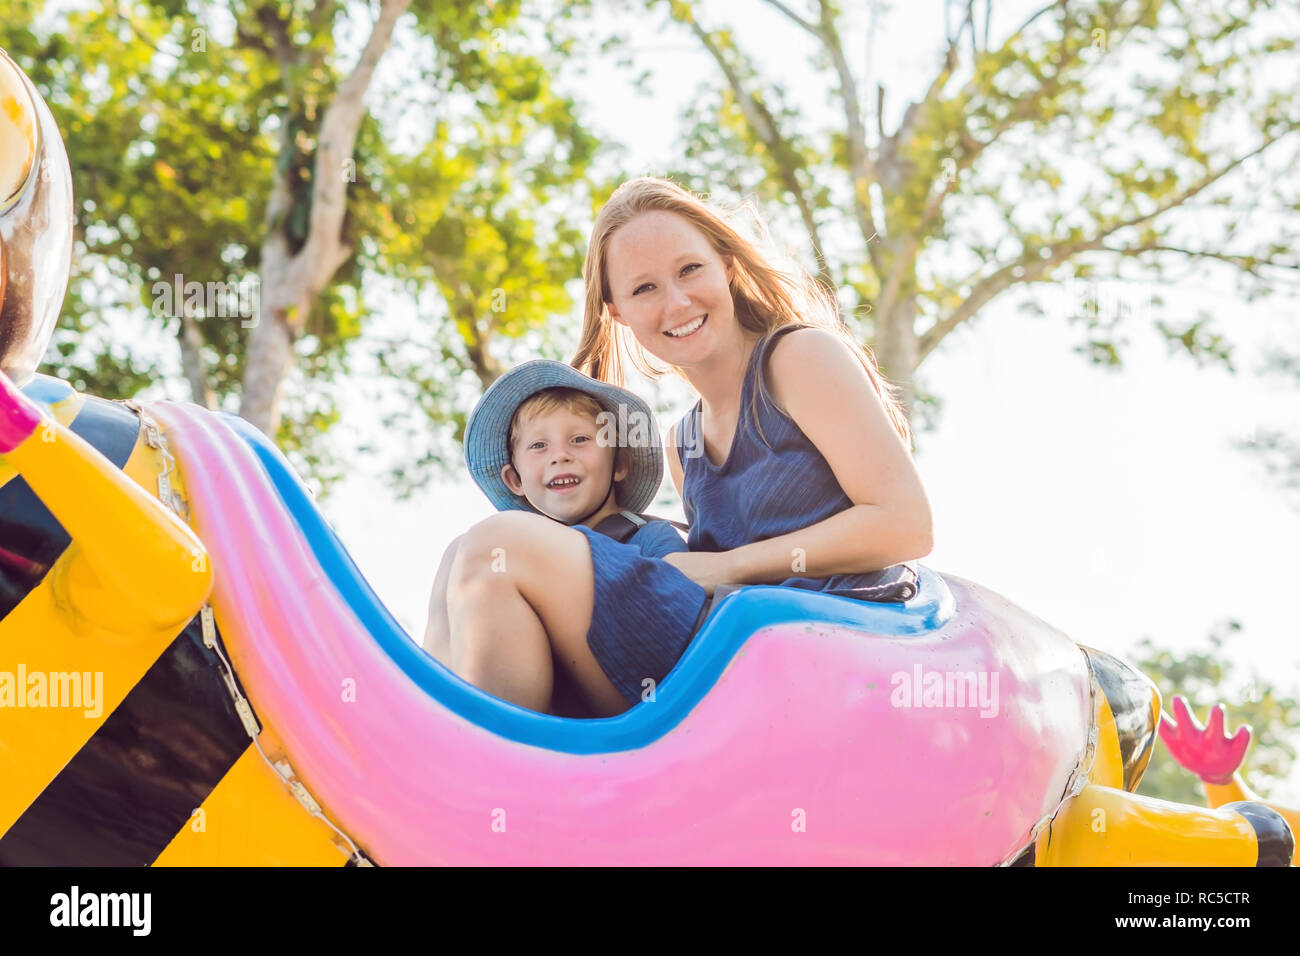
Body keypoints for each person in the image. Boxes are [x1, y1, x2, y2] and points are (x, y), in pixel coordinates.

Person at [431, 176, 934, 720]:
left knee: (497, 545)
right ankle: (444, 749)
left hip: (829, 642)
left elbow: (905, 523)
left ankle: (498, 769)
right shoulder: (682, 442)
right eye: (643, 289)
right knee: (458, 559)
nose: (676, 302)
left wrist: (727, 567)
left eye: (690, 269)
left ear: (726, 265)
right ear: (617, 312)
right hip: (727, 645)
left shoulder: (797, 359)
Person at [423, 360, 707, 717]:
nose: (560, 455)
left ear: (619, 464)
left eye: (580, 439)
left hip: (643, 679)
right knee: (456, 552)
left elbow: (677, 596)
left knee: (493, 544)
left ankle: (496, 737)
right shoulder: (514, 570)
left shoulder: (644, 532)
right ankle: (442, 715)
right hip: (557, 687)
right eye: (539, 446)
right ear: (515, 481)